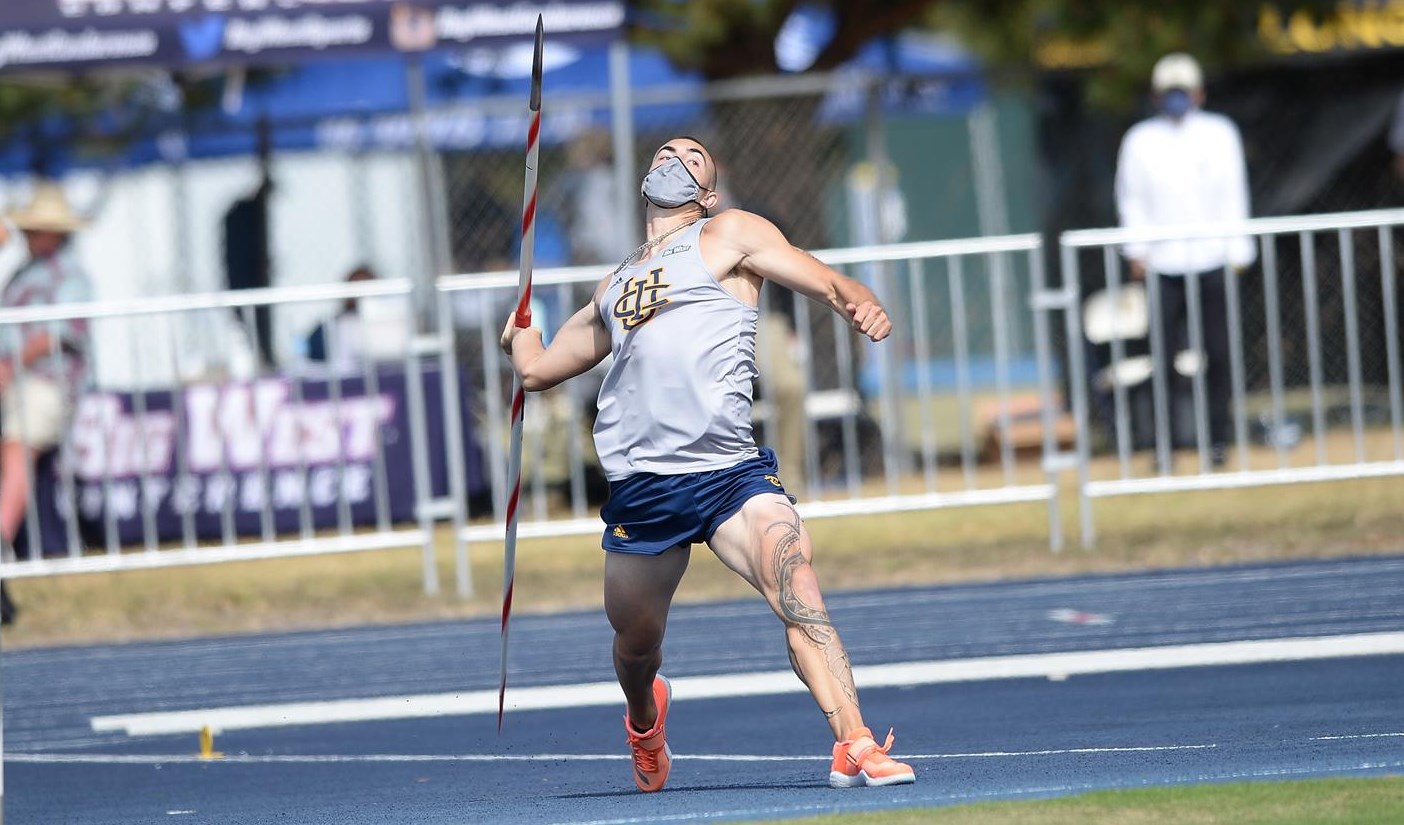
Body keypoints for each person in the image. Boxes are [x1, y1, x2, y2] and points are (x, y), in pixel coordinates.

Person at [500, 136, 915, 792]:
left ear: (709, 193)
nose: (674, 156)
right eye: (666, 151)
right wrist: (520, 340)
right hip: (645, 487)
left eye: (693, 156)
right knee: (636, 645)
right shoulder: (614, 283)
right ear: (646, 178)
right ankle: (644, 721)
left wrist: (857, 298)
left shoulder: (728, 234)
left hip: (729, 472)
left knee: (796, 581)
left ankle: (854, 741)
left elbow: (820, 276)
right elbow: (540, 368)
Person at [1114, 53, 1255, 467]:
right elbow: (1131, 198)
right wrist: (1136, 251)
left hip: (1212, 258)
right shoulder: (1140, 140)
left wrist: (1238, 249)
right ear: (1156, 96)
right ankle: (1166, 444)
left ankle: (1218, 441)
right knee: (1163, 358)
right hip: (1163, 264)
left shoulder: (1219, 133)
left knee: (1218, 354)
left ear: (1199, 93)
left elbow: (1233, 194)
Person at [0, 181, 94, 622]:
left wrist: (10, 366)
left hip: (43, 382)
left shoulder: (69, 275)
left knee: (16, 452)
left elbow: (55, 333)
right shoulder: (22, 272)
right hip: (15, 382)